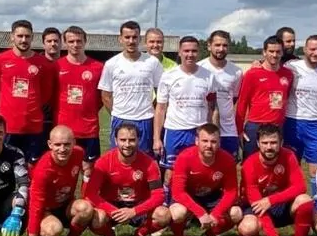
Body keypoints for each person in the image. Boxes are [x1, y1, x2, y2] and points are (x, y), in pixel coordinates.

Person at [84, 123, 171, 236]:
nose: (127, 144)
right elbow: (90, 193)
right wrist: (114, 211)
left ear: (138, 140)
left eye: (132, 140)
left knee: (163, 215)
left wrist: (133, 211)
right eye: (123, 140)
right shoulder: (103, 162)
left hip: (138, 205)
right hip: (112, 204)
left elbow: (158, 195)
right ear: (115, 140)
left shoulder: (149, 163)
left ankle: (140, 235)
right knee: (97, 219)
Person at [19, 126, 94, 236]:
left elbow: (87, 176)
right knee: (54, 229)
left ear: (74, 142)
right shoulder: (43, 170)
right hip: (45, 209)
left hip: (65, 204)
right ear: (50, 145)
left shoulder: (79, 153)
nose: (62, 149)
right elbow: (35, 208)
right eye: (58, 145)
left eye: (67, 144)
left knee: (86, 209)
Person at [154, 36, 217, 204]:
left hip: (198, 132)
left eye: (194, 51)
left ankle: (190, 210)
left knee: (197, 172)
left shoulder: (208, 77)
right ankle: (166, 209)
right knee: (170, 174)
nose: (190, 54)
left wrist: (213, 133)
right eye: (186, 51)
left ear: (199, 52)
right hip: (175, 132)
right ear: (180, 52)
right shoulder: (168, 76)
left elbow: (211, 107)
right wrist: (156, 138)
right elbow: (160, 109)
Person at [237, 124, 314, 236]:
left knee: (305, 200)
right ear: (258, 143)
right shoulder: (249, 164)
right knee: (247, 228)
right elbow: (256, 204)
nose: (269, 147)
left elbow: (300, 187)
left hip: (279, 205)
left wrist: (270, 200)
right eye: (265, 143)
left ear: (281, 143)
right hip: (255, 207)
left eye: (273, 142)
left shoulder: (289, 156)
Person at [0, 20, 56, 165]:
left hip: (34, 126)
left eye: (27, 36)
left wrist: (31, 107)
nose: (23, 40)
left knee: (31, 167)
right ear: (12, 36)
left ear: (32, 37)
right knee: (5, 166)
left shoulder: (43, 63)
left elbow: (46, 94)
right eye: (20, 36)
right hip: (8, 125)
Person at [167, 124, 240, 236]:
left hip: (212, 196)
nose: (209, 145)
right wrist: (200, 213)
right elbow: (178, 192)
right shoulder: (185, 157)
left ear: (219, 143)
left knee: (236, 213)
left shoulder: (227, 160)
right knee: (178, 213)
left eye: (213, 141)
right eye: (205, 141)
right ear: (197, 141)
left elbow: (232, 192)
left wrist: (215, 214)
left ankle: (209, 235)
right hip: (188, 195)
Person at [99, 21, 165, 157]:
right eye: (127, 37)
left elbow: (162, 94)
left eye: (134, 37)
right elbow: (105, 95)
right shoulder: (112, 64)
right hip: (120, 119)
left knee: (144, 160)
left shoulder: (152, 62)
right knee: (118, 160)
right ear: (120, 39)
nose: (131, 41)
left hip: (145, 120)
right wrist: (118, 112)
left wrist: (151, 109)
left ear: (140, 39)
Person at [284, 35, 317, 195]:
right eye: (312, 49)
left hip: (316, 125)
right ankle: (290, 203)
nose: (315, 53)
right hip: (292, 123)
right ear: (305, 49)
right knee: (290, 167)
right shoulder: (291, 67)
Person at [54, 26, 104, 179]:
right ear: (65, 43)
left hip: (89, 129)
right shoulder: (56, 66)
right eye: (71, 41)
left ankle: (86, 201)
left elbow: (102, 97)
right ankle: (64, 202)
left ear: (85, 42)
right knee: (63, 172)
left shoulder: (98, 67)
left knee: (89, 172)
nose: (75, 45)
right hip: (64, 130)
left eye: (79, 41)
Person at [235, 36, 294, 158]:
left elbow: (285, 98)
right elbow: (242, 103)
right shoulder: (252, 74)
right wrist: (239, 130)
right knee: (250, 165)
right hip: (255, 126)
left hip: (277, 127)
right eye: (271, 51)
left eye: (278, 51)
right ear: (264, 52)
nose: (274, 55)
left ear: (282, 52)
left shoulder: (288, 74)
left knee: (274, 165)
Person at [198, 30, 244, 160]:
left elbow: (234, 98)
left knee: (228, 167)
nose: (221, 49)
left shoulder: (236, 72)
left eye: (225, 45)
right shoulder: (199, 68)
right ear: (209, 46)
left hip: (228, 130)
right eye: (217, 45)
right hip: (205, 129)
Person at [40, 27, 63, 139]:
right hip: (41, 116)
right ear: (43, 44)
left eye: (56, 41)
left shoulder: (67, 64)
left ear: (61, 43)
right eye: (49, 41)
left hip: (62, 115)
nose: (53, 44)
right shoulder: (36, 64)